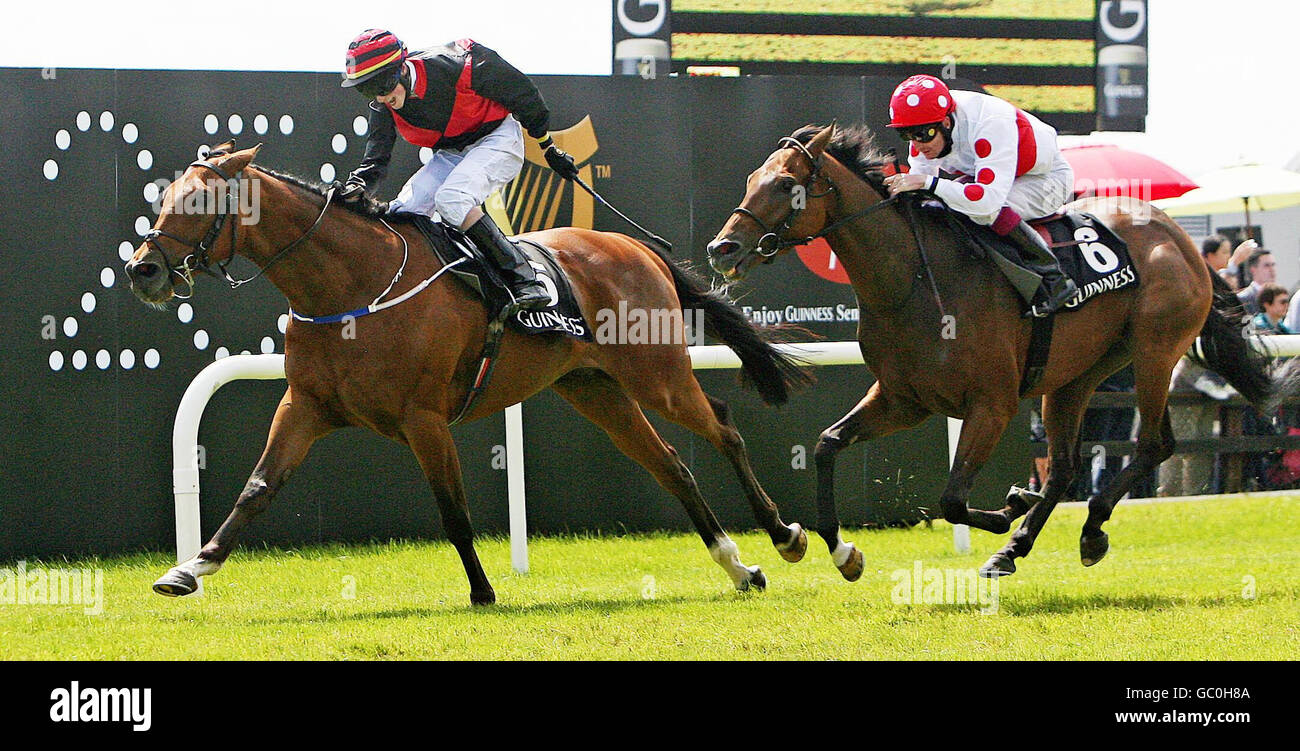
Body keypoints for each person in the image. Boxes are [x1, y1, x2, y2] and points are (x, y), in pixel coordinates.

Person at [338, 29, 579, 312]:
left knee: (452, 199)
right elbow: (375, 160)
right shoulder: (382, 105)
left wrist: (547, 146)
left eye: (382, 84)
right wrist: (356, 188)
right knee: (404, 213)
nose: (380, 97)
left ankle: (525, 277)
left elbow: (522, 92)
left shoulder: (460, 63)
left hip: (498, 139)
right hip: (452, 153)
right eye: (367, 89)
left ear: (402, 68)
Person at [881, 74, 1078, 317]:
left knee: (985, 212)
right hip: (994, 175)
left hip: (1045, 179)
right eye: (907, 135)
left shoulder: (991, 124)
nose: (917, 144)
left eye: (922, 134)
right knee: (939, 204)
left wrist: (928, 182)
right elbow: (920, 187)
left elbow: (986, 203)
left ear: (945, 122)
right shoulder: (925, 129)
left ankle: (1053, 278)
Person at [1236, 247, 1277, 315]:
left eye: (1273, 265)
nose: (1272, 269)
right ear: (1253, 270)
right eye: (1266, 266)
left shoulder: (1279, 295)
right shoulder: (1243, 298)